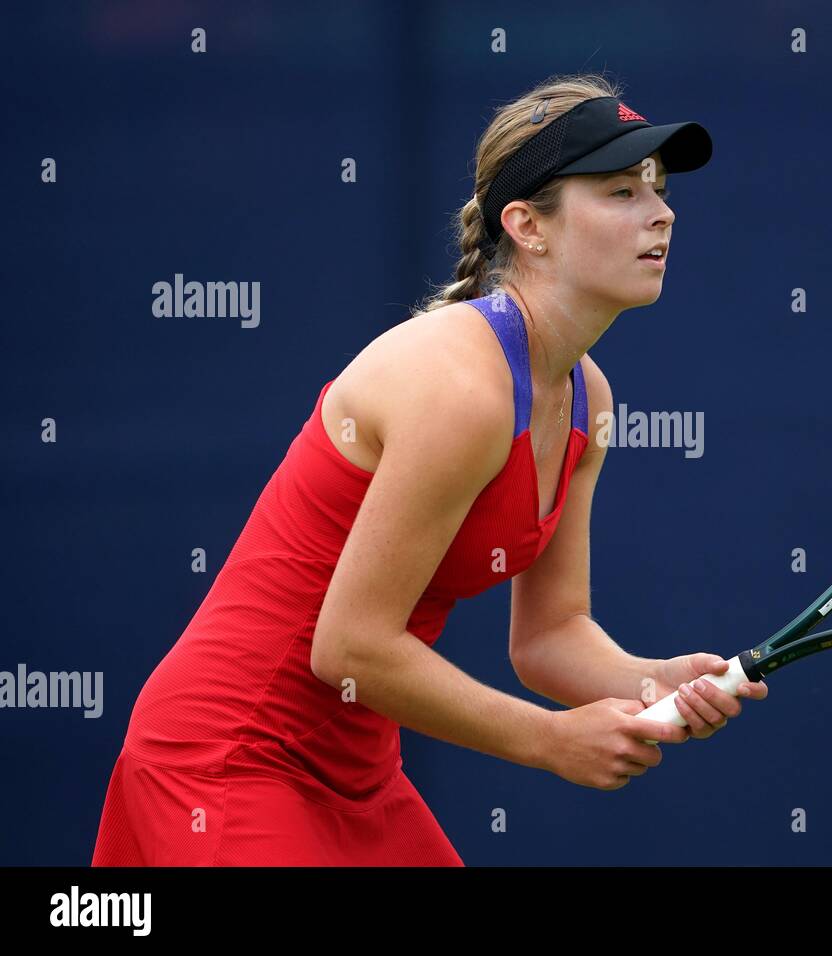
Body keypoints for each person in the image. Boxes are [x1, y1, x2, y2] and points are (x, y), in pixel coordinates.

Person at [91, 73, 768, 867]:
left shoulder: (588, 400)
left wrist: (653, 680)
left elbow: (549, 636)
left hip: (359, 771)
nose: (661, 212)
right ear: (527, 226)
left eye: (656, 189)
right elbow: (348, 649)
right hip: (228, 758)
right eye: (620, 191)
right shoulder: (459, 389)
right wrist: (551, 739)